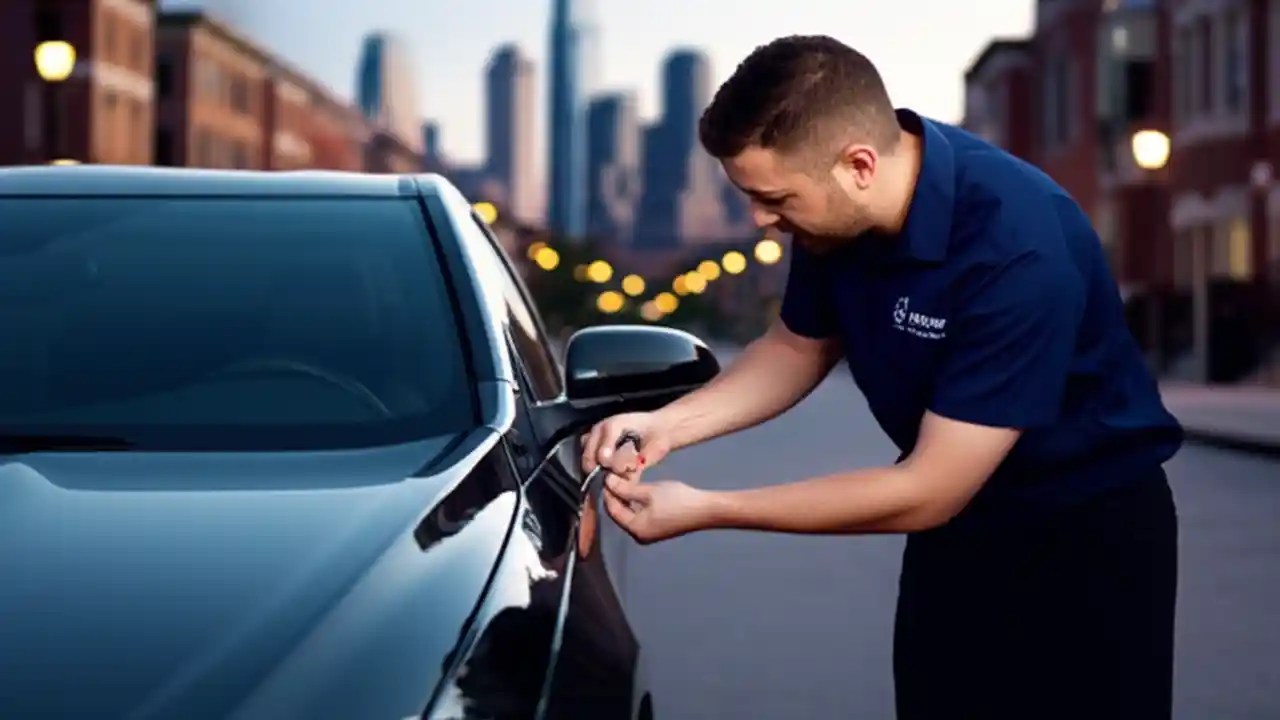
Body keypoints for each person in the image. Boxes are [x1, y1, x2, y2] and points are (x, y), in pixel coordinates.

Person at [580, 35, 1184, 720]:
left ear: (858, 164)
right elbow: (797, 349)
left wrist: (711, 508)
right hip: (957, 540)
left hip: (1083, 541)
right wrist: (667, 424)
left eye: (773, 196)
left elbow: (927, 490)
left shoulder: (1017, 245)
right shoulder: (831, 221)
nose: (759, 220)